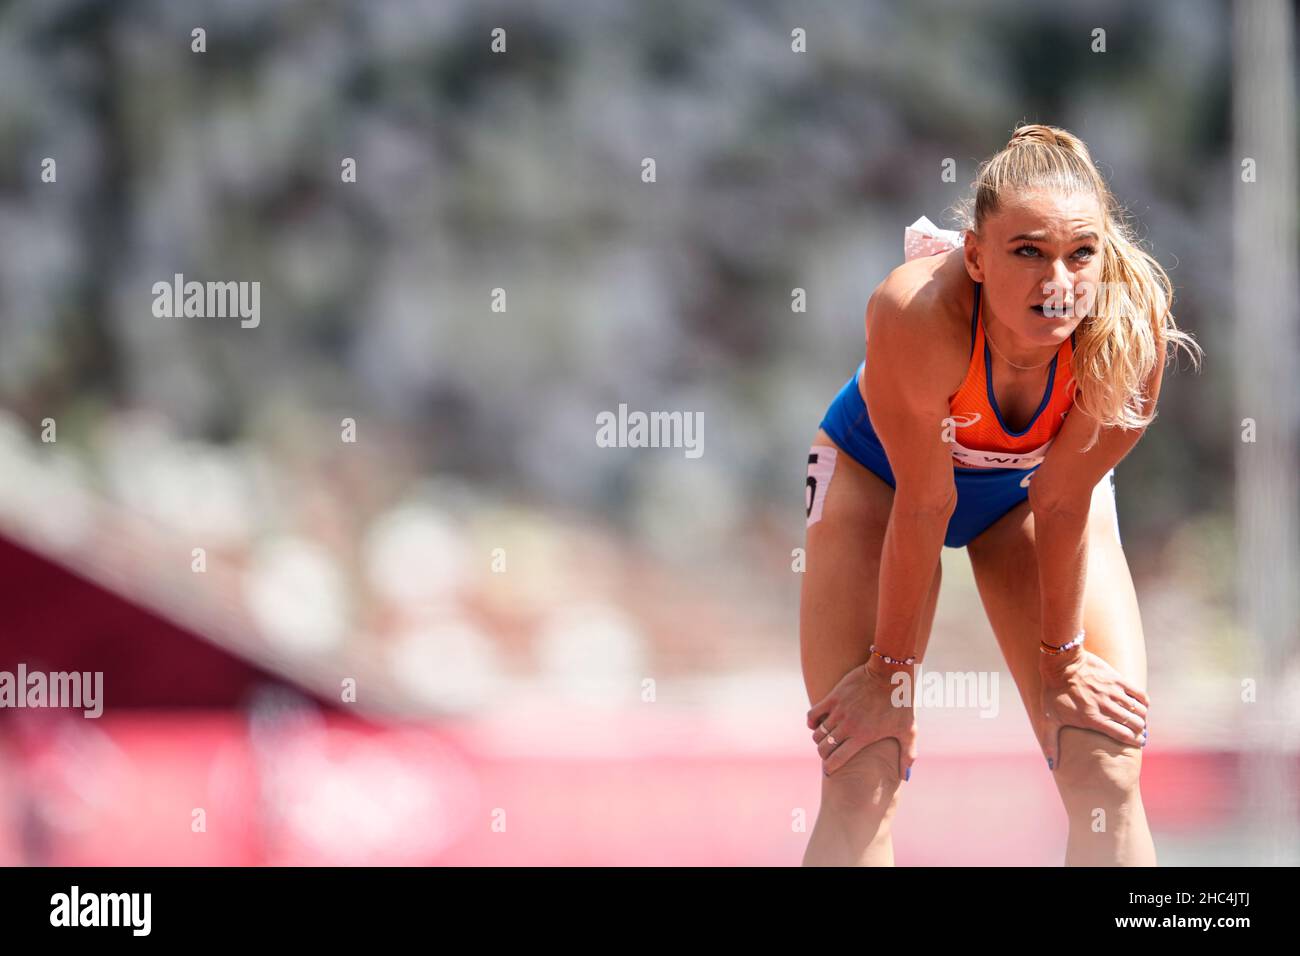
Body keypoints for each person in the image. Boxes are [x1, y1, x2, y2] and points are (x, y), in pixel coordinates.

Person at [799, 124, 1202, 866]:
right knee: (863, 772)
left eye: (1081, 254)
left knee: (1107, 764)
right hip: (881, 480)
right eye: (1028, 253)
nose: (1058, 281)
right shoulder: (915, 311)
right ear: (975, 256)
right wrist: (888, 675)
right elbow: (924, 504)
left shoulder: (1129, 330)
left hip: (1028, 497)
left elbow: (1061, 503)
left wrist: (1064, 662)